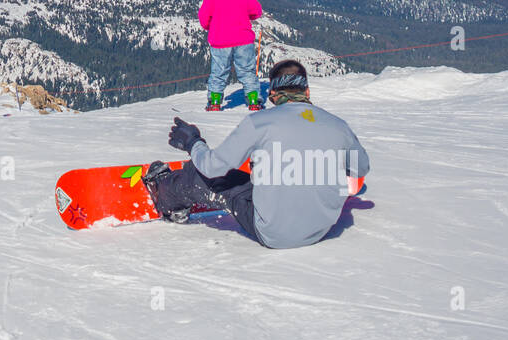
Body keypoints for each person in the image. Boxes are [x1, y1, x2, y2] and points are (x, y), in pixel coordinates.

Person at [144, 59, 370, 248]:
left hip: (274, 233)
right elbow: (361, 169)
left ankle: (163, 193)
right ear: (307, 91)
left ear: (273, 94)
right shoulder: (338, 126)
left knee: (200, 175)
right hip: (321, 229)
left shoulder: (260, 123)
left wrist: (194, 142)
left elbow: (213, 167)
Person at [198, 0, 264, 111]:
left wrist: (213, 27)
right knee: (247, 71)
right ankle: (254, 101)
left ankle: (214, 103)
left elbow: (204, 20)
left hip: (220, 41)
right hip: (243, 40)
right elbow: (257, 12)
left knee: (219, 73)